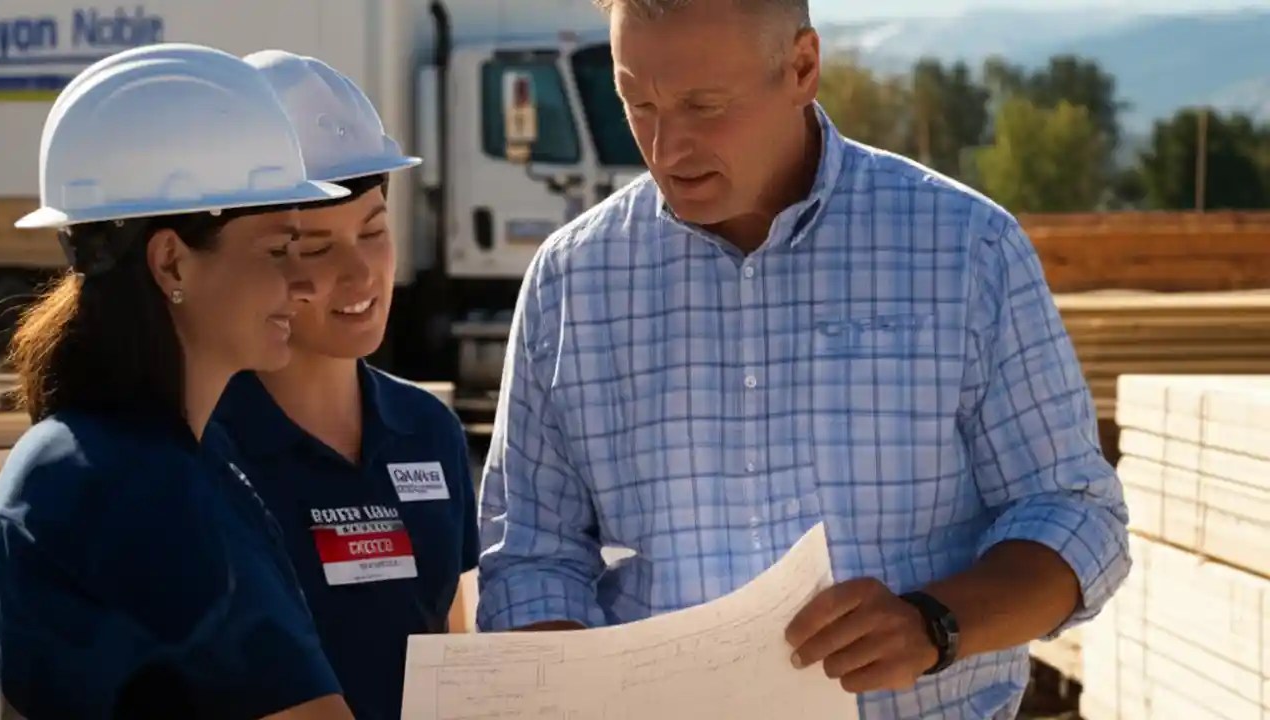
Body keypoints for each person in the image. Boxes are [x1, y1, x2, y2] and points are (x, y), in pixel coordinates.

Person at [475, 1, 1132, 718]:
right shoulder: (572, 281)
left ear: (802, 68)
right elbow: (532, 556)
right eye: (638, 104)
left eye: (704, 106)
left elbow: (1074, 515)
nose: (666, 148)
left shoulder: (965, 249)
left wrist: (934, 624)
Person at [0, 43, 359, 719]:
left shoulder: (110, 458)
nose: (305, 283)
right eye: (279, 249)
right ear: (172, 264)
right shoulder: (138, 486)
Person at [208, 50, 480, 720]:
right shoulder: (201, 446)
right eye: (317, 247)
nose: (361, 274)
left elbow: (457, 644)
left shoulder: (427, 430)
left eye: (374, 231)